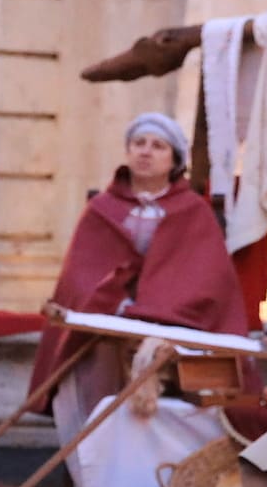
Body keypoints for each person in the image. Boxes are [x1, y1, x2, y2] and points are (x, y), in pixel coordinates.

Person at [33, 112, 248, 427]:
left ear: (174, 159)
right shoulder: (102, 210)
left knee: (178, 362)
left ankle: (178, 455)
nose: (146, 151)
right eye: (139, 143)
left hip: (176, 324)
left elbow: (208, 279)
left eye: (158, 146)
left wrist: (156, 311)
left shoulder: (194, 212)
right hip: (109, 320)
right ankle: (96, 445)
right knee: (95, 358)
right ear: (128, 152)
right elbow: (80, 278)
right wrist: (113, 304)